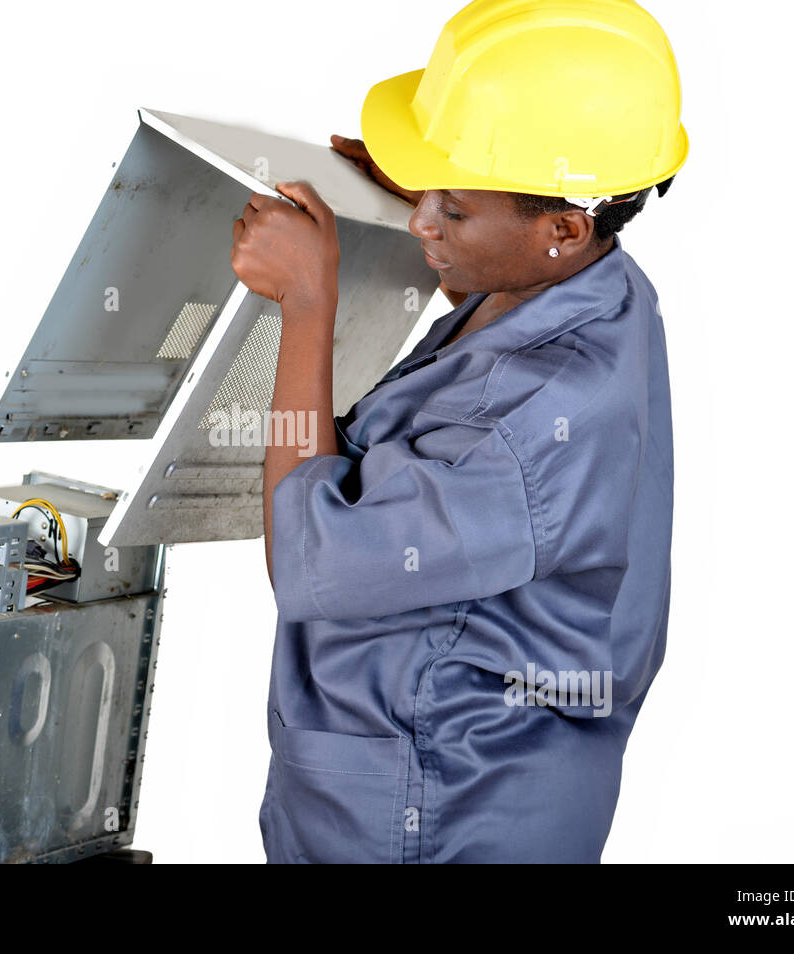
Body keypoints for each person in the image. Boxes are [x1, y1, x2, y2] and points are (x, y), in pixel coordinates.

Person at [230, 0, 687, 863]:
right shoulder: (598, 290)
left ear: (562, 227)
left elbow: (308, 562)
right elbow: (497, 317)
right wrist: (446, 196)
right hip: (501, 772)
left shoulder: (529, 428)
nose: (420, 222)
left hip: (433, 804)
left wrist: (305, 305)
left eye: (454, 210)